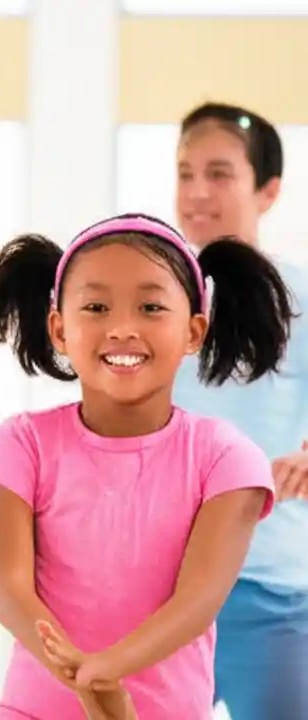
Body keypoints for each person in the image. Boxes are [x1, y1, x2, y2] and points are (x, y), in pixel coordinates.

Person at [0, 213, 290, 718]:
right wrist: (84, 678)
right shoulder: (20, 443)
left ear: (193, 330)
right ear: (59, 328)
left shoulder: (228, 459)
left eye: (151, 307)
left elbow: (196, 601)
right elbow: (8, 590)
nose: (122, 328)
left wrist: (105, 670)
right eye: (95, 306)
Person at [170, 102, 308, 719]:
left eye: (220, 174)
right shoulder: (152, 293)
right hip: (159, 582)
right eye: (185, 173)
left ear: (268, 191)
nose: (198, 193)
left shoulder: (298, 298)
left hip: (269, 586)